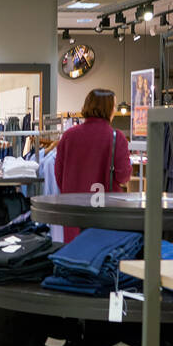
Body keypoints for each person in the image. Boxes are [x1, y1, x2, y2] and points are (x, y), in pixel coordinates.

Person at [54, 88, 131, 242]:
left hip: (73, 209)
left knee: (74, 254)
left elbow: (58, 174)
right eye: (114, 106)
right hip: (104, 209)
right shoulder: (116, 137)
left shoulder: (69, 136)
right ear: (108, 108)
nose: (114, 111)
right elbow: (123, 176)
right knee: (102, 255)